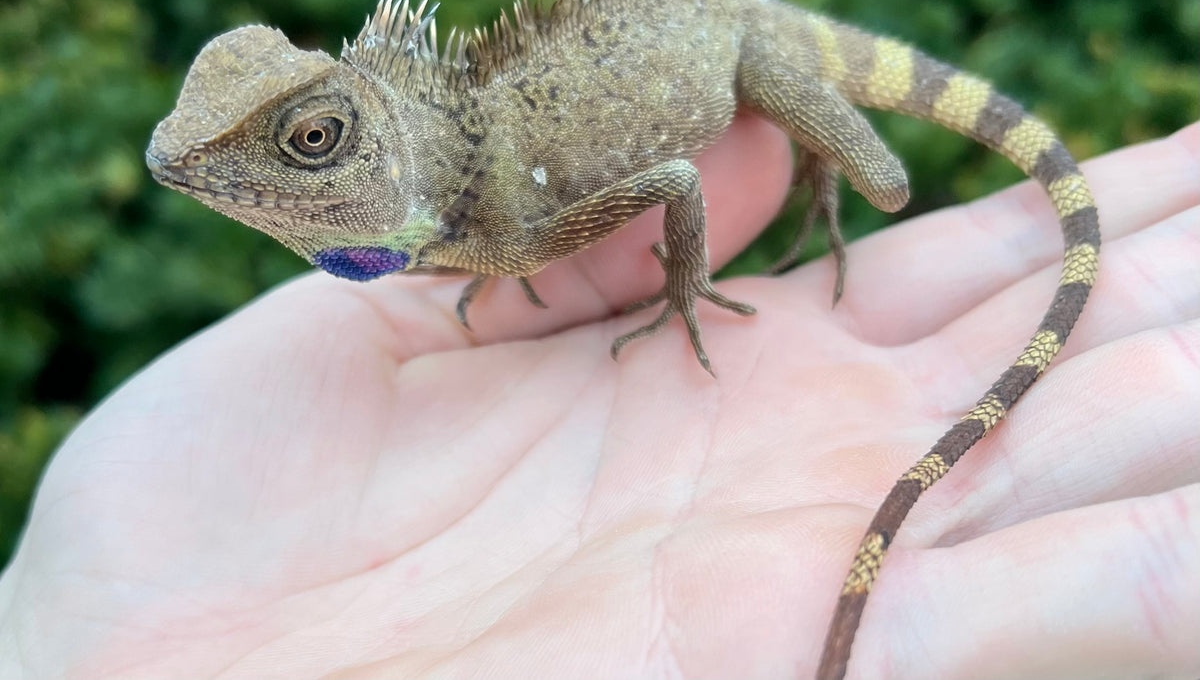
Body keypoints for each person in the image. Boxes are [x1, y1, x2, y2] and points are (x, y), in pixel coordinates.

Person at [0, 122, 1196, 679]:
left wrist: (686, 283)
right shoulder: (460, 225)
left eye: (308, 140)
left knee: (881, 178)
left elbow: (680, 172)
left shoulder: (511, 221)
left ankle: (832, 150)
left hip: (749, 46)